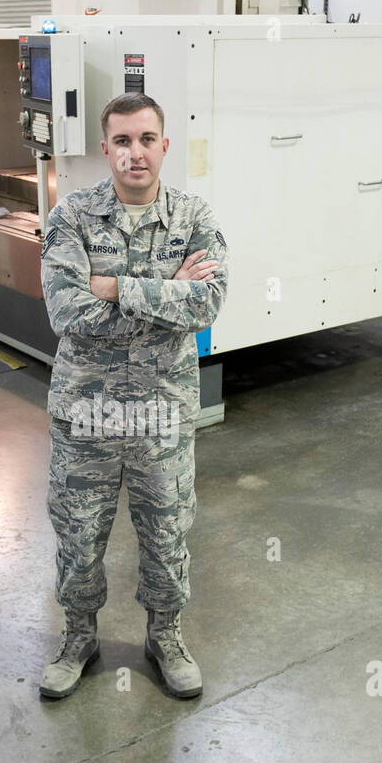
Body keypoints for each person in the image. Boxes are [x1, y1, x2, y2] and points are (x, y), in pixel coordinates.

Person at [38, 92, 228, 700]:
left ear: (164, 146)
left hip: (161, 415)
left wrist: (113, 287)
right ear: (106, 150)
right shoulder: (70, 217)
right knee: (78, 533)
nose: (135, 153)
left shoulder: (195, 218)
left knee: (167, 532)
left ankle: (165, 635)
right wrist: (162, 290)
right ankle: (77, 635)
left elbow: (206, 305)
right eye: (122, 141)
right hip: (85, 413)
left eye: (146, 139)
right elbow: (68, 314)